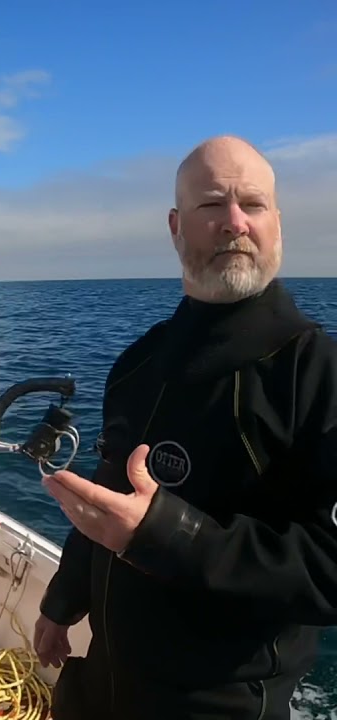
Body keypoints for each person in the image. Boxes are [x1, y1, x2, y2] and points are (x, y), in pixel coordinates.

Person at [34, 134, 337, 719]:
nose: (233, 223)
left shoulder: (315, 374)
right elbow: (107, 499)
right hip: (103, 684)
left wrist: (166, 534)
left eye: (252, 204)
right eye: (210, 205)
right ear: (176, 225)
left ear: (277, 222)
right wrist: (62, 600)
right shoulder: (139, 363)